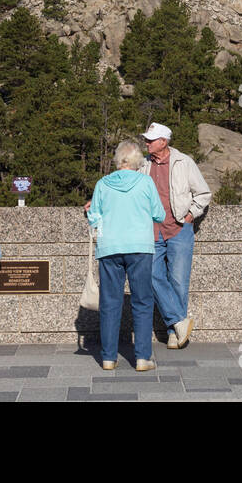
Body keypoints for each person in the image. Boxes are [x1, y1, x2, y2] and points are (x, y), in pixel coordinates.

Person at [88, 139, 165, 371]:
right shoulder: (145, 182)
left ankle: (108, 358)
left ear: (118, 160)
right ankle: (142, 357)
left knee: (111, 302)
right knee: (142, 301)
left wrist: (104, 232)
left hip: (110, 247)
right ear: (137, 161)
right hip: (140, 247)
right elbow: (159, 214)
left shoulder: (102, 183)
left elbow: (94, 216)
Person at [138, 122, 211, 349]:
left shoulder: (184, 162)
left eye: (151, 140)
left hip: (179, 229)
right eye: (147, 140)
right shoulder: (141, 165)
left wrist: (190, 216)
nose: (147, 143)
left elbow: (203, 193)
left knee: (178, 282)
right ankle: (179, 322)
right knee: (150, 276)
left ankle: (173, 333)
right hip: (151, 232)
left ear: (163, 142)